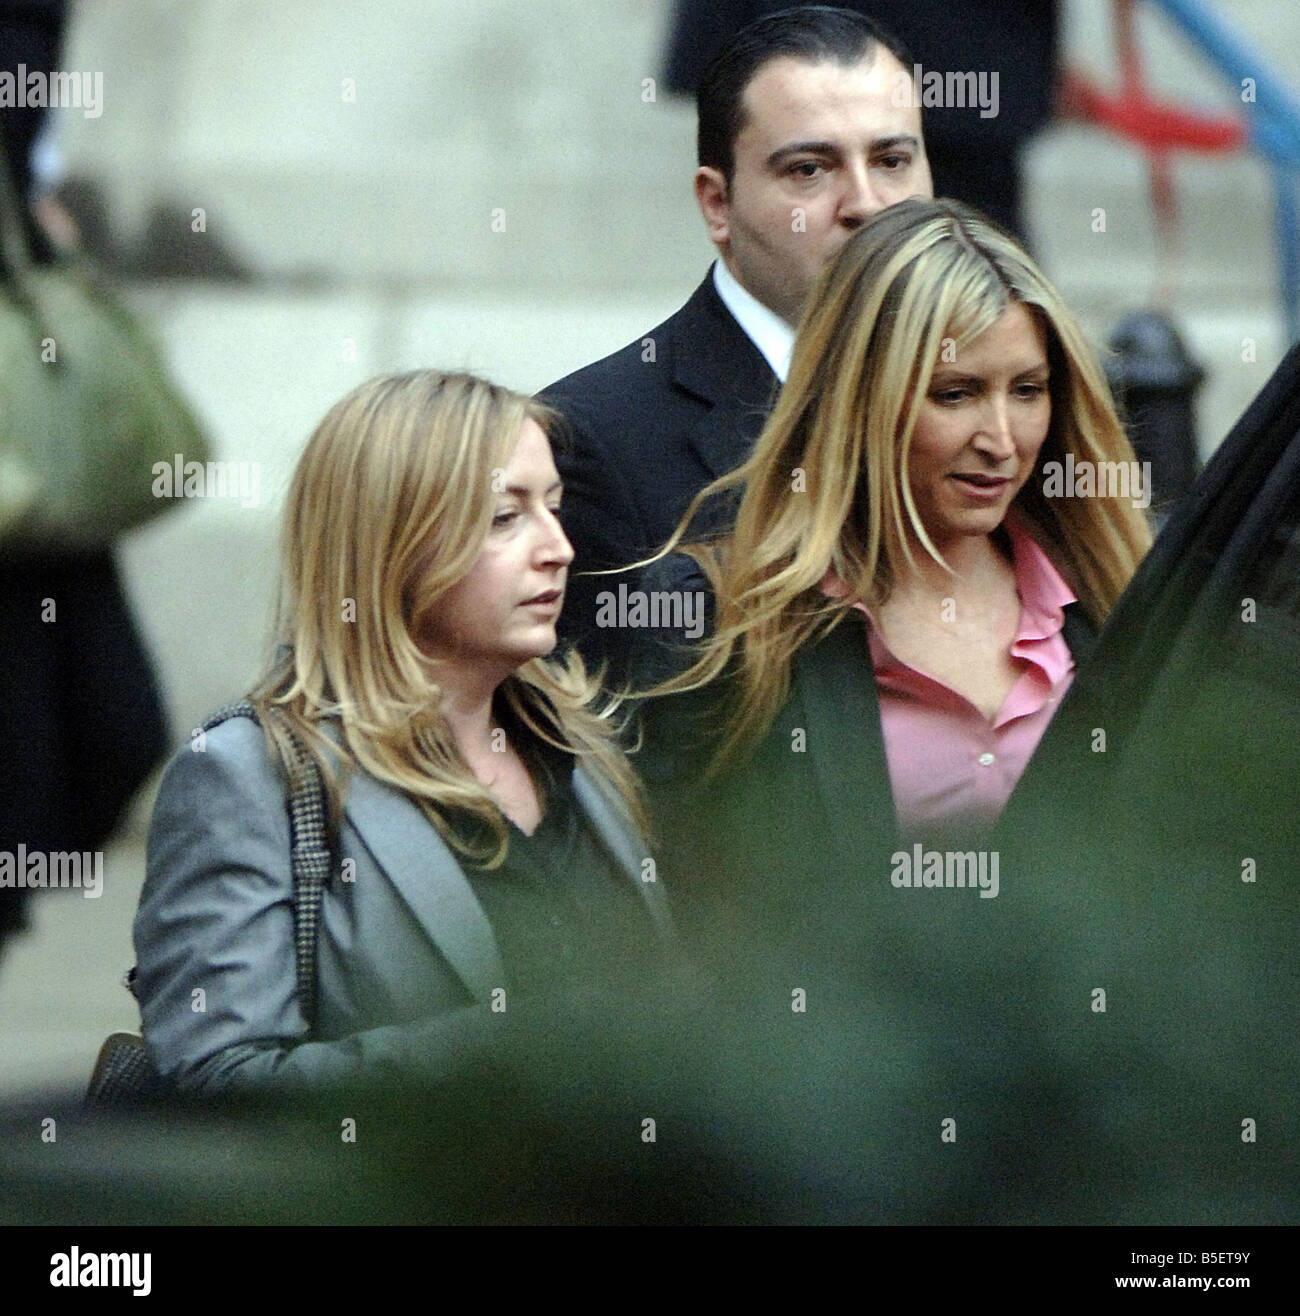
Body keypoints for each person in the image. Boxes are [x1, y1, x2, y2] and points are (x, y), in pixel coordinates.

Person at [637, 198, 1152, 969]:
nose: (1002, 440)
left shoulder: (1113, 596)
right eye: (955, 393)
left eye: (1028, 390)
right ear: (861, 396)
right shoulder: (725, 622)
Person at [133, 371, 672, 1097]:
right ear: (393, 544)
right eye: (505, 518)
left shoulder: (579, 742)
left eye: (554, 507)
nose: (560, 548)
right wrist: (512, 1047)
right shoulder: (248, 774)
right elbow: (211, 1082)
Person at [541, 6, 933, 683]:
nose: (866, 203)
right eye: (810, 170)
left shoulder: (1018, 396)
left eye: (893, 160)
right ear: (717, 205)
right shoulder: (591, 444)